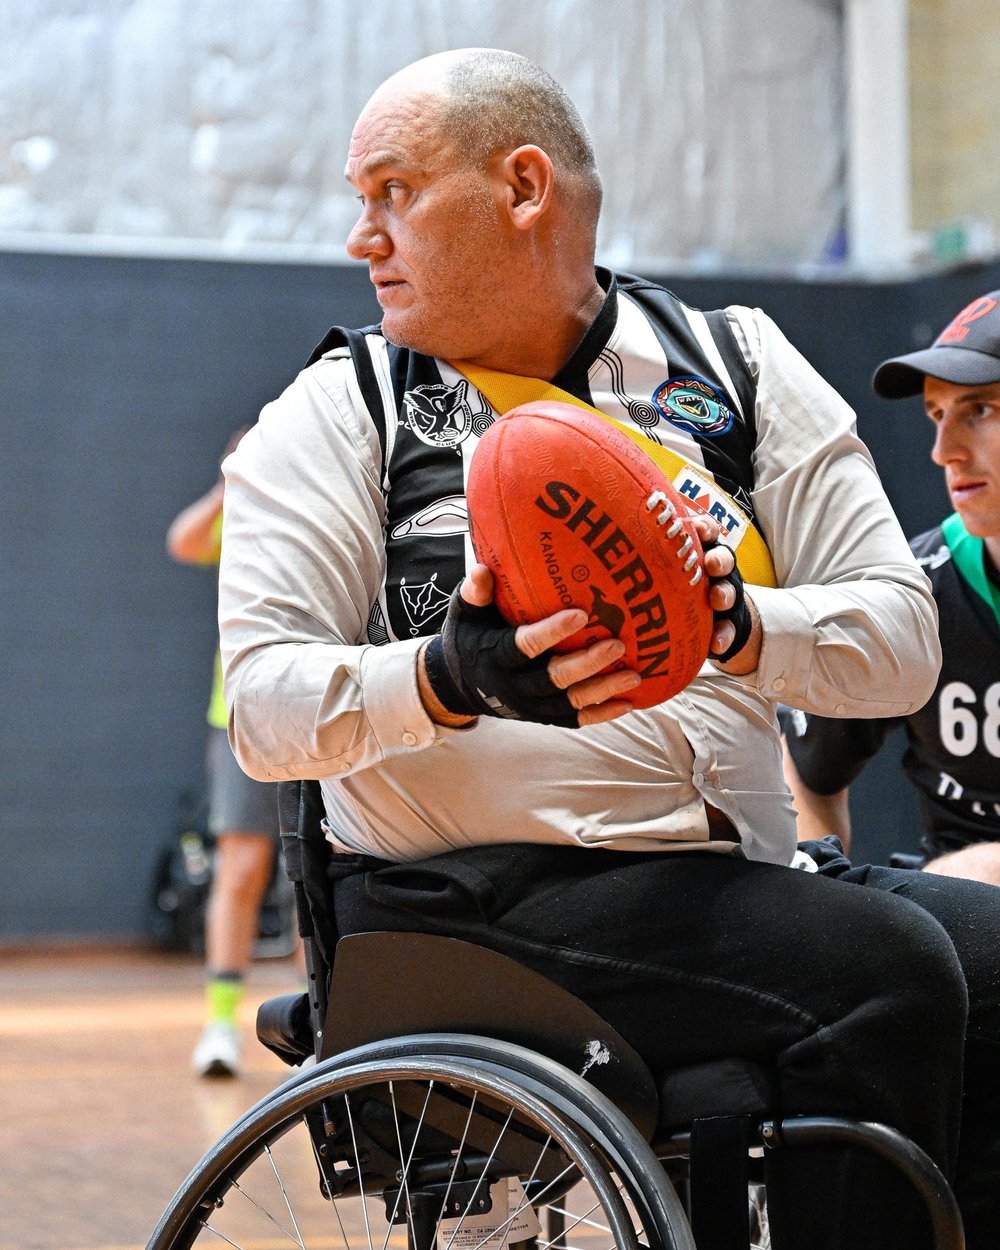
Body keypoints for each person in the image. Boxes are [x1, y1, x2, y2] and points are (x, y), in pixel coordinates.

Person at [217, 48, 1000, 1249]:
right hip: (474, 906)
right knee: (882, 966)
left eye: (392, 192)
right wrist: (445, 676)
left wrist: (733, 626)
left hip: (730, 878)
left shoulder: (738, 364)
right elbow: (265, 710)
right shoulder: (337, 412)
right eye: (358, 201)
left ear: (523, 187)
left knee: (989, 959)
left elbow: (898, 643)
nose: (361, 236)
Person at [783, 291, 1000, 884]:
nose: (943, 452)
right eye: (937, 415)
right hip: (960, 921)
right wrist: (822, 891)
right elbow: (806, 771)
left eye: (978, 409)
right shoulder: (910, 587)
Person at [167, 430, 283, 1078]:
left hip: (313, 716)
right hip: (239, 717)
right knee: (239, 870)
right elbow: (182, 541)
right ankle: (220, 1024)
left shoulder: (307, 508)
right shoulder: (237, 519)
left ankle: (323, 1025)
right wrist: (224, 483)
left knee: (312, 880)